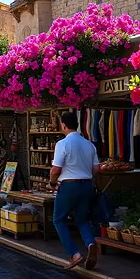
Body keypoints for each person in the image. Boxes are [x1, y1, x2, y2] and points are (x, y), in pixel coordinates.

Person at [50, 111, 100, 270]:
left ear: (63, 125)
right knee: (82, 219)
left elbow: (56, 170)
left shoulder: (62, 144)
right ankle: (91, 243)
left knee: (58, 219)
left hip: (69, 185)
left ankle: (74, 254)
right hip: (87, 185)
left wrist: (52, 182)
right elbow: (96, 169)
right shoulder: (89, 144)